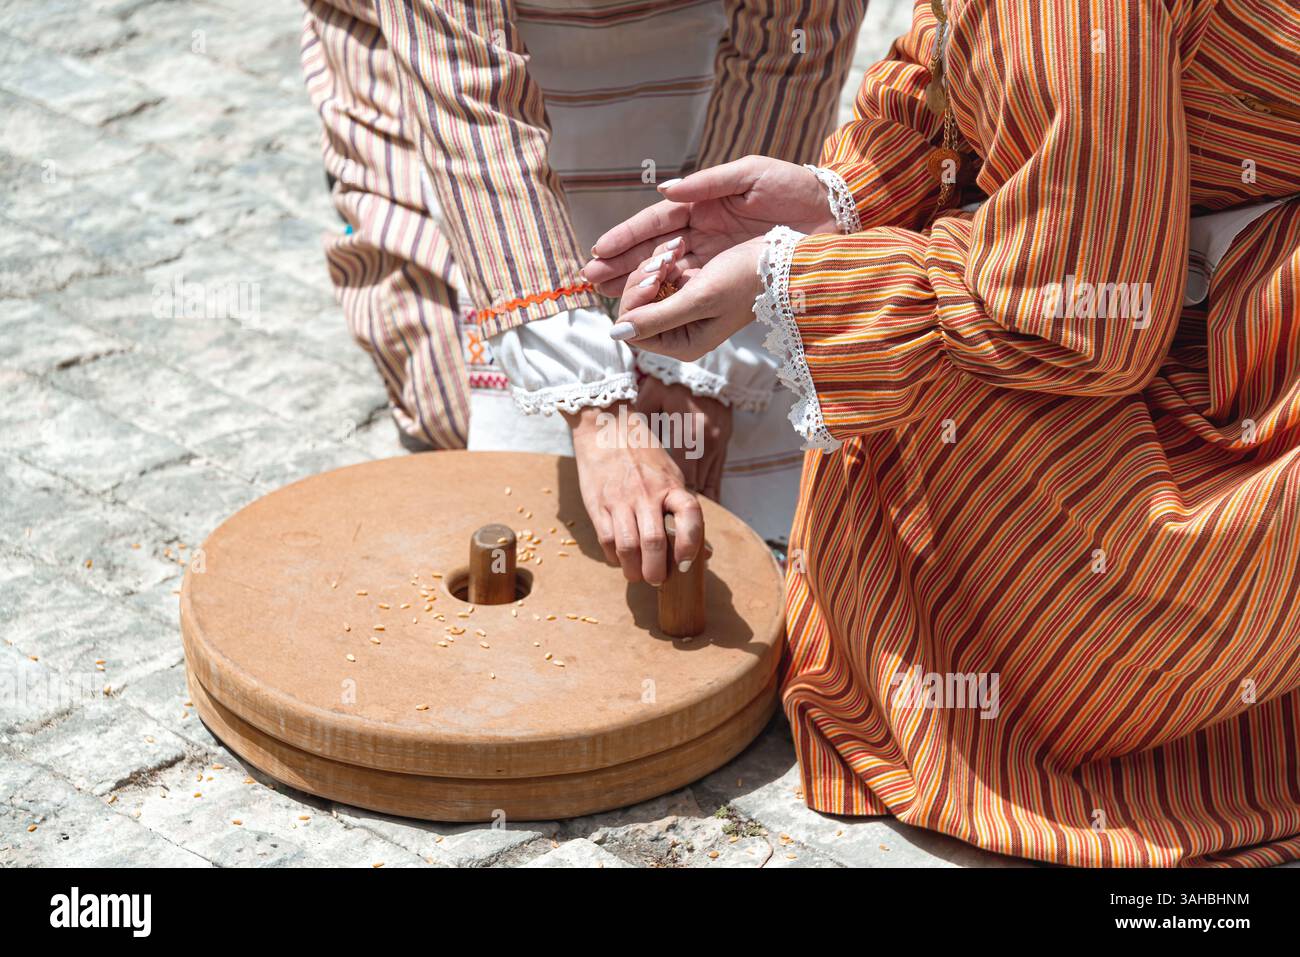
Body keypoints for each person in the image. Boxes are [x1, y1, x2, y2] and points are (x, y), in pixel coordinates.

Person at [584, 0, 1300, 866]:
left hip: (1243, 367)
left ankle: (1148, 711)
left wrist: (794, 280)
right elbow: (954, 55)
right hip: (1173, 255)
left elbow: (1083, 316)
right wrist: (840, 196)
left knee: (935, 416)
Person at [298, 0, 867, 583]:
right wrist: (596, 409)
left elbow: (792, 41)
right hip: (440, 83)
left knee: (773, 472)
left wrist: (712, 352)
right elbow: (468, 94)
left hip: (698, 69)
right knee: (465, 423)